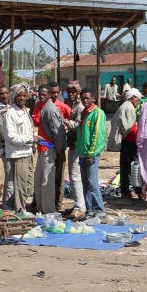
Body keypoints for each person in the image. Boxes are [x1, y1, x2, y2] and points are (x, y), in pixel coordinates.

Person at [5, 83, 36, 216]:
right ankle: (19, 210)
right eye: (20, 95)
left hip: (28, 151)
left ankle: (14, 207)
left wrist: (33, 138)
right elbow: (11, 136)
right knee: (21, 185)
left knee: (29, 185)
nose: (22, 98)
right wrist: (29, 139)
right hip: (18, 153)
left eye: (25, 95)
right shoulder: (11, 113)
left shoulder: (26, 111)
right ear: (14, 97)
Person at [34, 84, 65, 214]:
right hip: (43, 149)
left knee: (47, 181)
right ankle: (42, 209)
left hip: (48, 150)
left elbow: (58, 132)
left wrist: (58, 150)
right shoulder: (44, 108)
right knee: (40, 180)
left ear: (49, 95)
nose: (41, 96)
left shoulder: (50, 109)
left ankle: (49, 211)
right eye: (40, 94)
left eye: (44, 94)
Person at [76, 89, 106, 218]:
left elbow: (97, 135)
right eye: (83, 98)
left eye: (87, 98)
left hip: (90, 154)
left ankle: (99, 211)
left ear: (93, 98)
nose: (85, 101)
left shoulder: (97, 113)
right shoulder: (84, 112)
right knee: (85, 184)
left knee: (92, 183)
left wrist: (91, 153)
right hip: (82, 153)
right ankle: (90, 210)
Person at [63, 81, 86, 220]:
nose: (71, 94)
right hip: (74, 144)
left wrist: (65, 121)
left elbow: (77, 125)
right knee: (75, 177)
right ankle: (79, 204)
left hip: (77, 146)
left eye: (74, 91)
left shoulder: (80, 107)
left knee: (75, 176)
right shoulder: (73, 105)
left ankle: (79, 207)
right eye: (69, 91)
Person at [114, 88, 142, 200]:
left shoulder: (127, 106)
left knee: (125, 168)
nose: (138, 102)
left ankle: (126, 191)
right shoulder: (128, 107)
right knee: (133, 168)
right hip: (130, 142)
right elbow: (129, 127)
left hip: (128, 141)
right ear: (133, 97)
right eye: (138, 99)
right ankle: (136, 191)